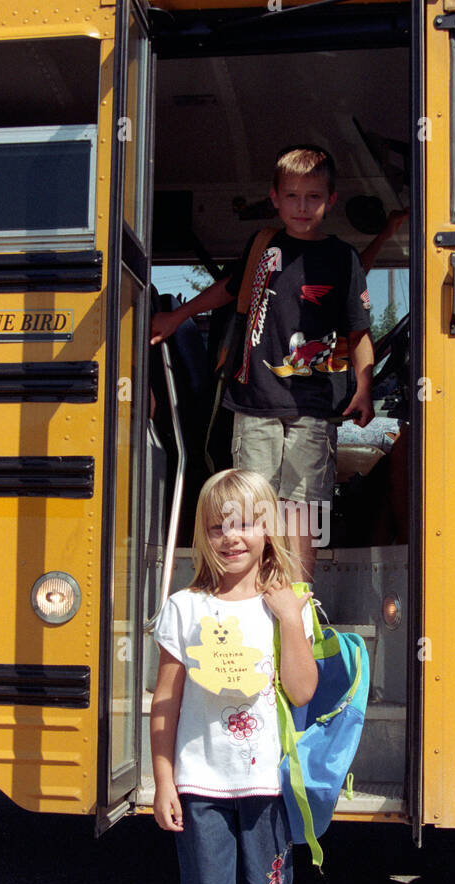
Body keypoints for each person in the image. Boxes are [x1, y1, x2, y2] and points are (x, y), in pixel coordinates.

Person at [150, 467, 318, 884]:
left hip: (263, 788)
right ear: (204, 535)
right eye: (218, 526)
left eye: (245, 523)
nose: (232, 537)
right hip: (201, 787)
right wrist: (164, 778)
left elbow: (301, 691)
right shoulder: (184, 607)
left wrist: (291, 620)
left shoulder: (283, 607)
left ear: (267, 529)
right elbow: (165, 701)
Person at [151, 145, 375, 582]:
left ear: (330, 200)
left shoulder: (343, 259)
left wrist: (364, 389)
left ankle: (298, 601)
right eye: (292, 196)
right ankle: (248, 594)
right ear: (274, 198)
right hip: (255, 399)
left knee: (302, 508)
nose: (302, 206)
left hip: (314, 406)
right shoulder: (264, 247)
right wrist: (177, 316)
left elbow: (358, 332)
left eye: (313, 197)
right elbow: (227, 290)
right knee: (251, 504)